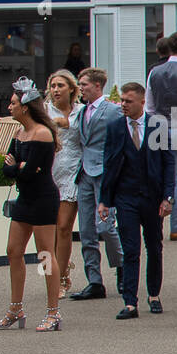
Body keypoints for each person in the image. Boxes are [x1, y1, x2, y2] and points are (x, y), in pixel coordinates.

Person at [99, 81, 174, 320]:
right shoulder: (115, 128)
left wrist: (168, 197)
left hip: (152, 197)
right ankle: (130, 302)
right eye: (122, 100)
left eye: (128, 101)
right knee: (130, 249)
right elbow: (109, 164)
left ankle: (154, 294)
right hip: (126, 197)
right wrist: (104, 200)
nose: (123, 105)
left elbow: (169, 162)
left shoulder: (157, 126)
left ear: (142, 102)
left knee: (154, 246)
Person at [0, 78, 63, 331]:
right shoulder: (18, 133)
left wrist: (17, 167)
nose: (9, 108)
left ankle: (53, 312)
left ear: (25, 106)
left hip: (44, 199)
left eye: (13, 103)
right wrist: (17, 167)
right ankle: (16, 307)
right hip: (24, 199)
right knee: (13, 251)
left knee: (46, 255)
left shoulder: (42, 133)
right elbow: (9, 169)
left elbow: (29, 172)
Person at [67, 67, 124, 301]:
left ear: (98, 86)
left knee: (105, 226)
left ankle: (121, 267)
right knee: (86, 231)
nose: (81, 88)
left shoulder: (113, 111)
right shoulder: (81, 112)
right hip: (84, 174)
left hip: (104, 173)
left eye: (84, 84)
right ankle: (94, 281)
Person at [145, 29, 177, 240]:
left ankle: (156, 222)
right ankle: (176, 226)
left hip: (160, 127)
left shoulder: (154, 72)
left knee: (161, 175)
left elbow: (150, 106)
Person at [46, 69, 82, 296]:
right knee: (47, 231)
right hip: (48, 171)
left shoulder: (82, 111)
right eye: (53, 86)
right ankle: (49, 274)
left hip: (73, 171)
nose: (56, 90)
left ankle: (61, 278)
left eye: (60, 85)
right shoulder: (43, 110)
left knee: (63, 227)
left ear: (71, 89)